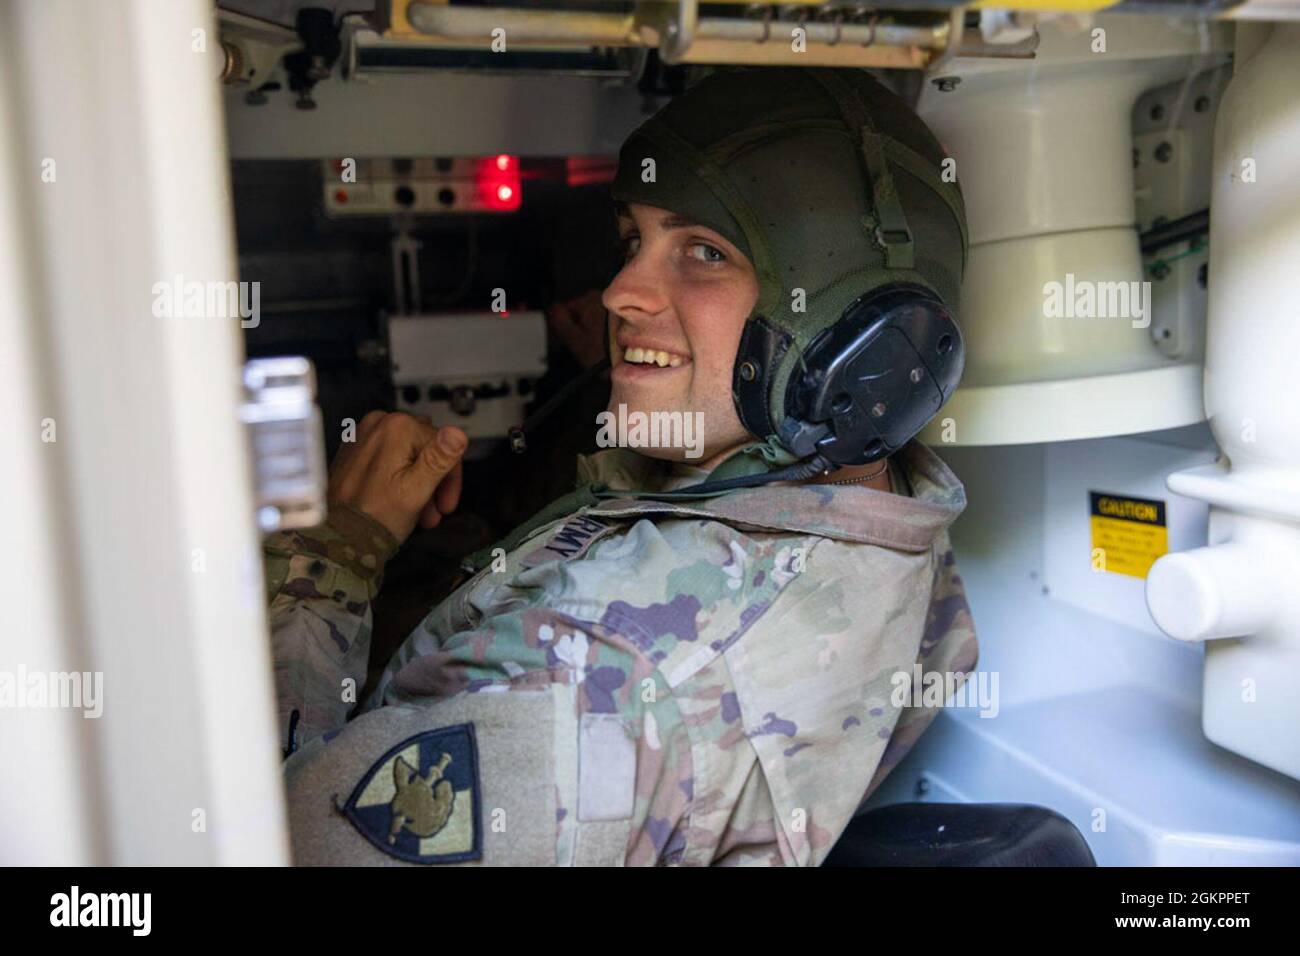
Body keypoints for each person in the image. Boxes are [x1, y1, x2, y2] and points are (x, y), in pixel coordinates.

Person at [264, 66, 977, 866]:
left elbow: (263, 841)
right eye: (634, 242)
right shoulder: (899, 512)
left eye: (703, 251)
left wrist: (330, 561)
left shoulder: (578, 683)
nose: (618, 292)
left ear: (861, 337)